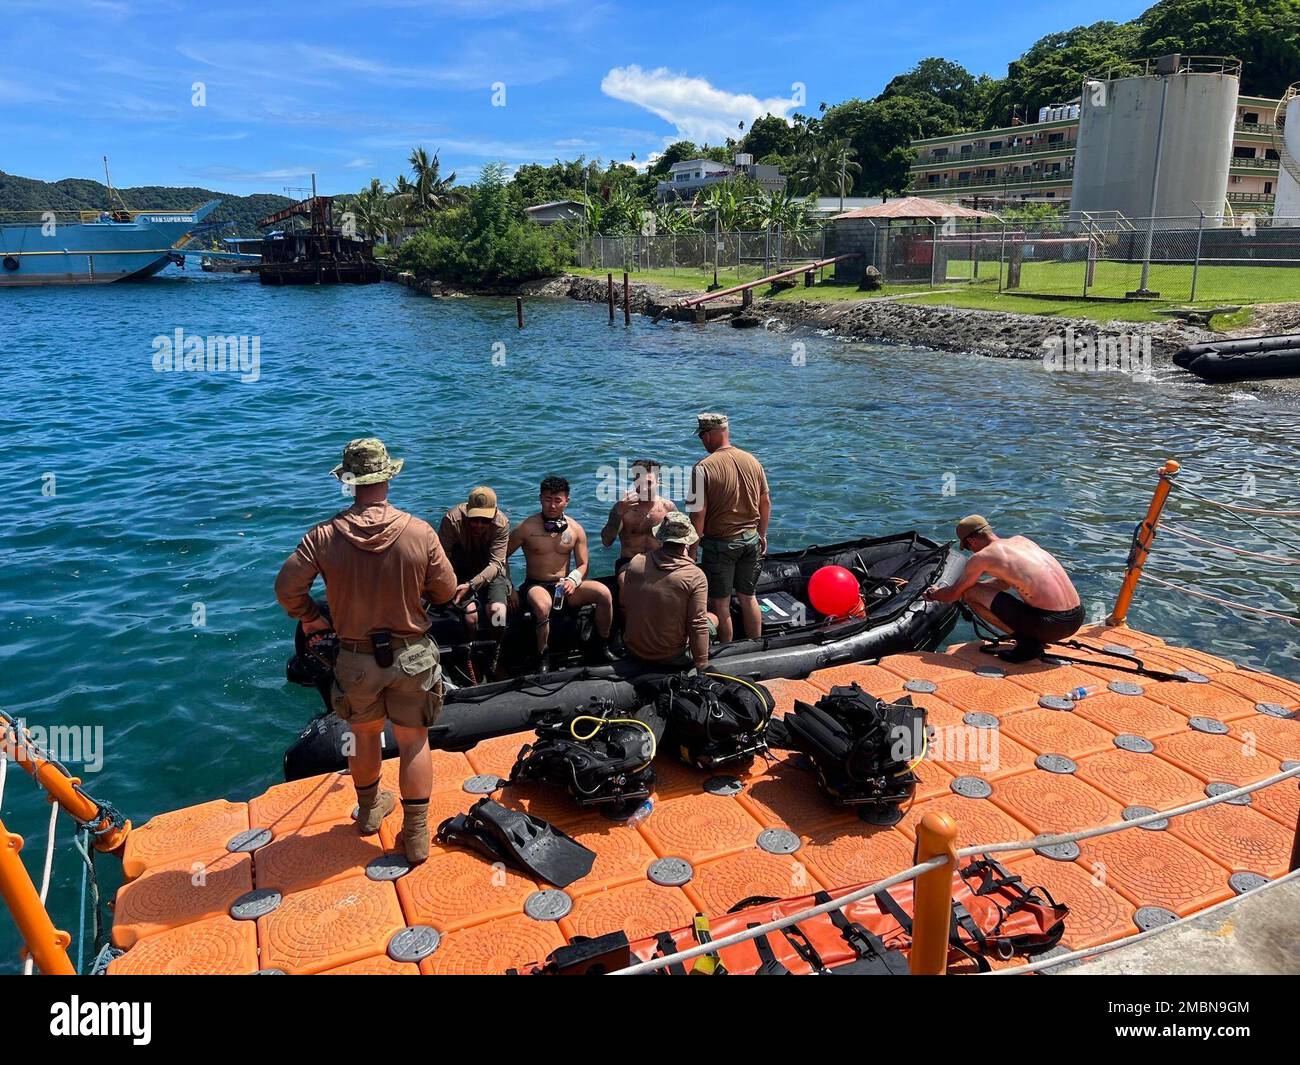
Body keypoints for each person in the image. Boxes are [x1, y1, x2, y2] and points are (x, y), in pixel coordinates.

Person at [274, 438, 456, 864]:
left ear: (350, 481)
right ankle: (415, 837)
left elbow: (286, 588)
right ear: (389, 476)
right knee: (413, 743)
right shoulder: (419, 531)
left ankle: (371, 812)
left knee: (363, 735)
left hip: (355, 659)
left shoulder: (323, 536)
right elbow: (446, 589)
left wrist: (309, 616)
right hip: (412, 654)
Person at [924, 515, 1084, 662]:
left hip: (1050, 626)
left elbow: (953, 594)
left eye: (966, 547)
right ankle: (1033, 638)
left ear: (971, 541)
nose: (970, 551)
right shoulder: (1022, 541)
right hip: (1076, 618)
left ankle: (1027, 643)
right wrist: (974, 588)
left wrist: (932, 594)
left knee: (969, 593)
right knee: (972, 590)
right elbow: (1003, 584)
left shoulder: (982, 557)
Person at [507, 475, 616, 671]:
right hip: (536, 585)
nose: (552, 505)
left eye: (557, 500)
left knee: (604, 593)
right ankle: (543, 656)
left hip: (564, 586)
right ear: (540, 498)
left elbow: (583, 565)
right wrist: (510, 589)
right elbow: (501, 557)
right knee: (543, 607)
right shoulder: (526, 528)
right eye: (548, 499)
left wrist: (573, 580)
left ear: (567, 501)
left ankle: (602, 645)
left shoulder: (576, 529)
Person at [688, 412, 771, 643]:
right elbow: (765, 502)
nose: (701, 441)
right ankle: (755, 646)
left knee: (720, 604)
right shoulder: (752, 461)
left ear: (713, 434)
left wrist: (692, 552)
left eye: (702, 435)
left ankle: (727, 652)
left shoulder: (702, 468)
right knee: (748, 597)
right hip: (751, 540)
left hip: (721, 545)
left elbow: (698, 515)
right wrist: (762, 535)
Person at [620, 512, 714, 671]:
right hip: (671, 657)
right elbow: (697, 624)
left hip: (633, 650)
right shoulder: (694, 576)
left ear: (660, 537)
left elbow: (626, 604)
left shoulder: (635, 562)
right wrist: (702, 664)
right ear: (687, 543)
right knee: (713, 618)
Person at [439, 486, 511, 641]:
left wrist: (472, 585)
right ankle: (469, 652)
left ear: (495, 512)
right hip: (459, 572)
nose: (479, 525)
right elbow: (443, 560)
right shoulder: (452, 520)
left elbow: (497, 563)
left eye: (485, 520)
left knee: (498, 614)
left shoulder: (502, 523)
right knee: (471, 618)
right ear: (467, 510)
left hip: (491, 571)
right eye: (474, 519)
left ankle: (496, 652)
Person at [600, 458, 677, 590]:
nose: (644, 487)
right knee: (625, 582)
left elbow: (681, 540)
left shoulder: (667, 508)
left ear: (658, 482)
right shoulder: (623, 509)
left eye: (648, 482)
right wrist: (617, 513)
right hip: (629, 563)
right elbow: (607, 542)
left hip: (660, 562)